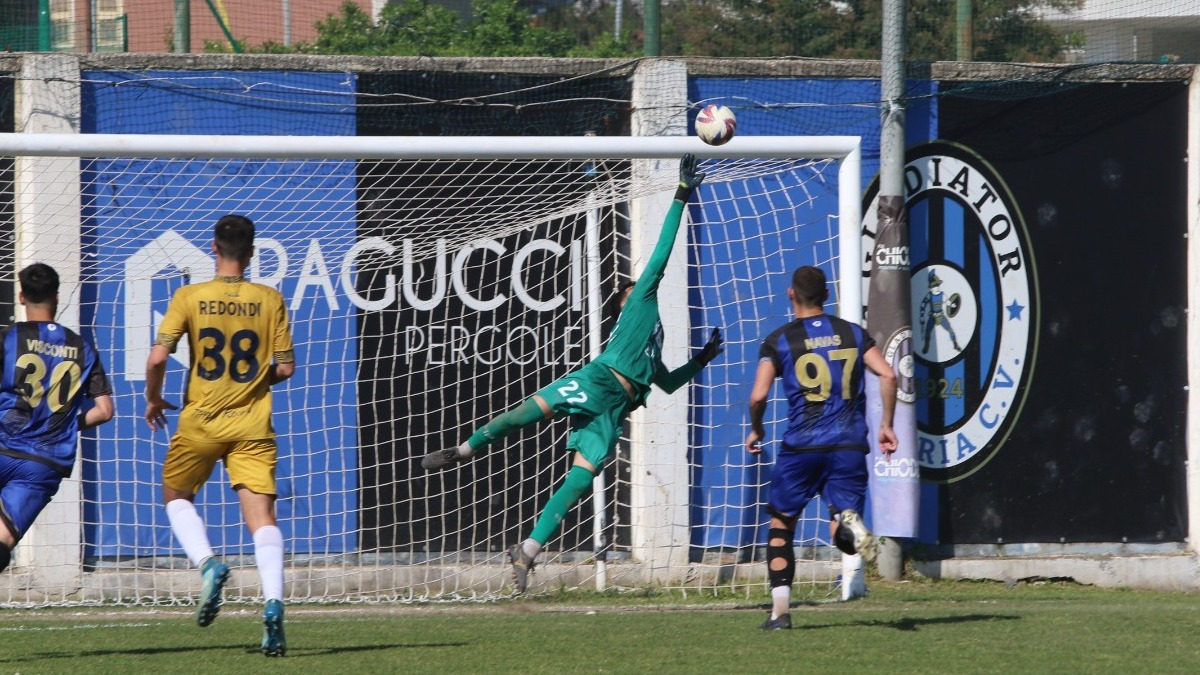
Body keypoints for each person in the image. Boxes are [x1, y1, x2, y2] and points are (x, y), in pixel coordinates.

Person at [422, 154, 724, 594]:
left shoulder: (651, 349)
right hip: (597, 380)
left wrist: (703, 358)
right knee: (523, 415)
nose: (638, 285)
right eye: (632, 286)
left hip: (614, 407)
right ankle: (465, 449)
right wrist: (681, 193)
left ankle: (527, 551)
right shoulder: (641, 302)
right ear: (628, 298)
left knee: (579, 480)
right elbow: (662, 249)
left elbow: (668, 383)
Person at [144, 214, 296, 657]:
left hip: (201, 421)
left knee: (176, 495)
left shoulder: (190, 295)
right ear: (251, 254)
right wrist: (253, 385)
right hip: (252, 425)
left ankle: (208, 564)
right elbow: (285, 367)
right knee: (263, 520)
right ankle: (273, 604)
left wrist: (154, 398)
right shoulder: (270, 299)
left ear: (214, 248)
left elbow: (157, 358)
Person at [745, 265, 898, 630]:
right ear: (827, 297)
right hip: (848, 444)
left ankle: (780, 613)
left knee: (782, 523)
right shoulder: (853, 334)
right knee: (841, 528)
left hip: (802, 445)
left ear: (790, 294)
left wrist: (756, 428)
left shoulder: (779, 340)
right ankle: (849, 526)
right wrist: (886, 424)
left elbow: (758, 395)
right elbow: (889, 374)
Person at [0, 263, 114, 574]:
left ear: (21, 297)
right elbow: (105, 410)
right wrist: (66, 425)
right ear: (58, 297)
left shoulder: (8, 337)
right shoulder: (81, 347)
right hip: (43, 462)